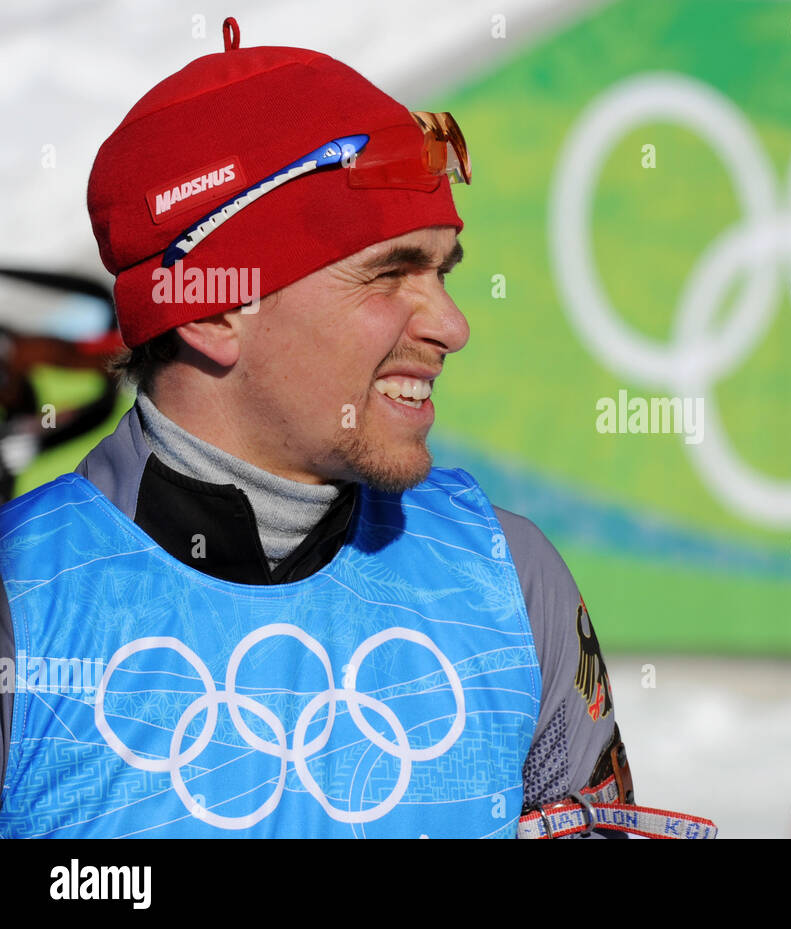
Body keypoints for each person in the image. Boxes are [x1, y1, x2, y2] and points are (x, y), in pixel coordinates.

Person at [0, 18, 714, 840]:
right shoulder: (23, 598)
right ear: (220, 305)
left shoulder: (509, 579)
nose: (451, 324)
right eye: (390, 274)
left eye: (442, 271)